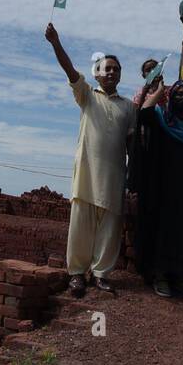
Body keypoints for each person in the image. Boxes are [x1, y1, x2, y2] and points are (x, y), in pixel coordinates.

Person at [45, 23, 136, 298]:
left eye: (115, 69)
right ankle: (76, 275)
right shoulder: (86, 96)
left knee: (109, 227)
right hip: (86, 173)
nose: (111, 73)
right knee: (80, 225)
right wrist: (55, 42)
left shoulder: (129, 107)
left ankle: (101, 274)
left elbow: (133, 144)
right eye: (106, 69)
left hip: (114, 174)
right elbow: (69, 70)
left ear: (120, 75)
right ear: (97, 74)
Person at [132, 79, 183, 299]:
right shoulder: (162, 121)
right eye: (178, 95)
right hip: (162, 191)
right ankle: (160, 277)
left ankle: (182, 279)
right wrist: (160, 91)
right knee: (162, 233)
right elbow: (145, 112)